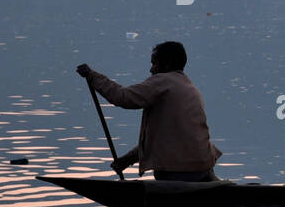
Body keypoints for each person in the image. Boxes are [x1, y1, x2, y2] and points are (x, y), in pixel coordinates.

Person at [76, 41, 222, 181]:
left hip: (177, 170)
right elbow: (165, 140)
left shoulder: (163, 82)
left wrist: (92, 76)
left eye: (154, 63)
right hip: (203, 166)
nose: (151, 69)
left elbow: (122, 97)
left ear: (167, 64)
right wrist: (126, 161)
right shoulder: (189, 87)